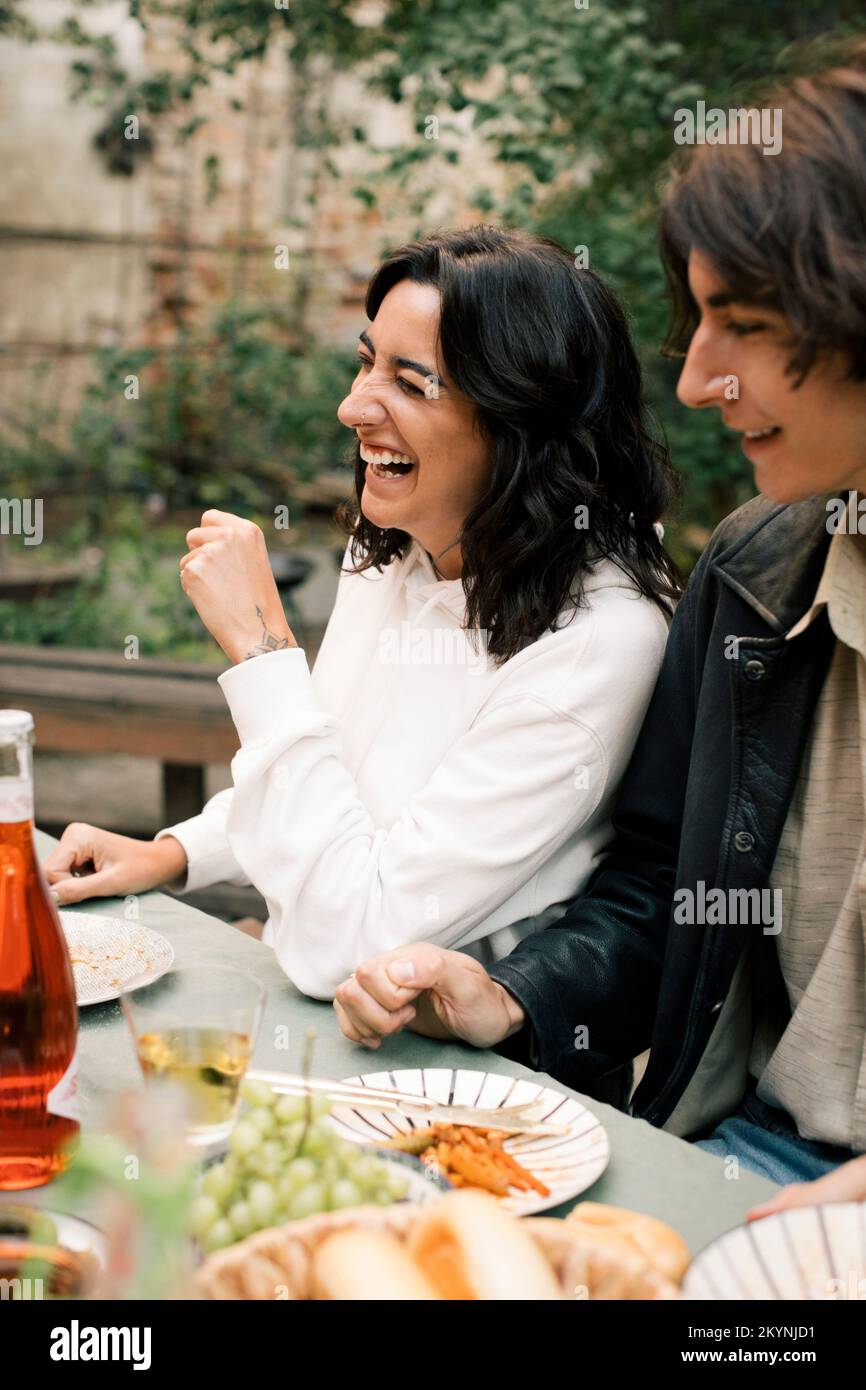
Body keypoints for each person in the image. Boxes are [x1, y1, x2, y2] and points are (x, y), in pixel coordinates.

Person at [332, 39, 866, 1201]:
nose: (693, 379)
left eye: (745, 323)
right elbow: (654, 888)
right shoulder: (753, 578)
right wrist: (516, 990)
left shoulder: (614, 620)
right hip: (738, 1153)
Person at [45, 226, 678, 999]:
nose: (353, 408)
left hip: (459, 1075)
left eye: (411, 386)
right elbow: (330, 779)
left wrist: (261, 649)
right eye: (365, 362)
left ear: (525, 428)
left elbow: (348, 940)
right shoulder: (392, 549)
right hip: (307, 1007)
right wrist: (181, 851)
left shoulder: (600, 643)